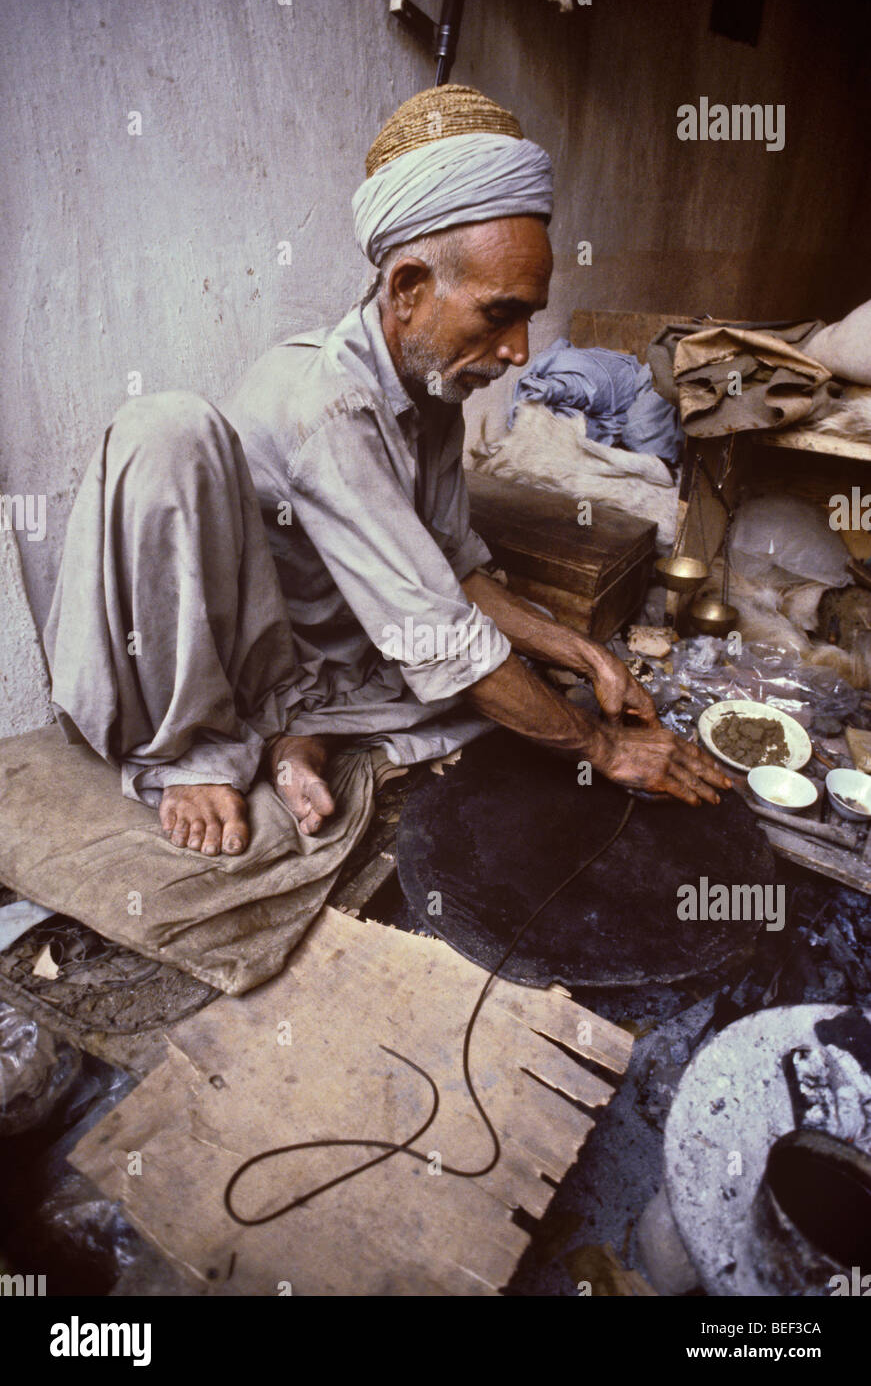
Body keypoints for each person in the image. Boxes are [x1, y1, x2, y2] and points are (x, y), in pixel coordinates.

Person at [44, 85, 730, 859]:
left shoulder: (432, 386)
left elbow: (455, 573)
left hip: (313, 655)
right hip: (232, 657)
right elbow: (444, 636)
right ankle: (194, 752)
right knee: (165, 426)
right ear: (407, 289)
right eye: (499, 313)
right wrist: (602, 750)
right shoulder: (330, 404)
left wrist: (584, 654)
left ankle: (299, 737)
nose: (520, 351)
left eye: (527, 317)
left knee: (492, 690)